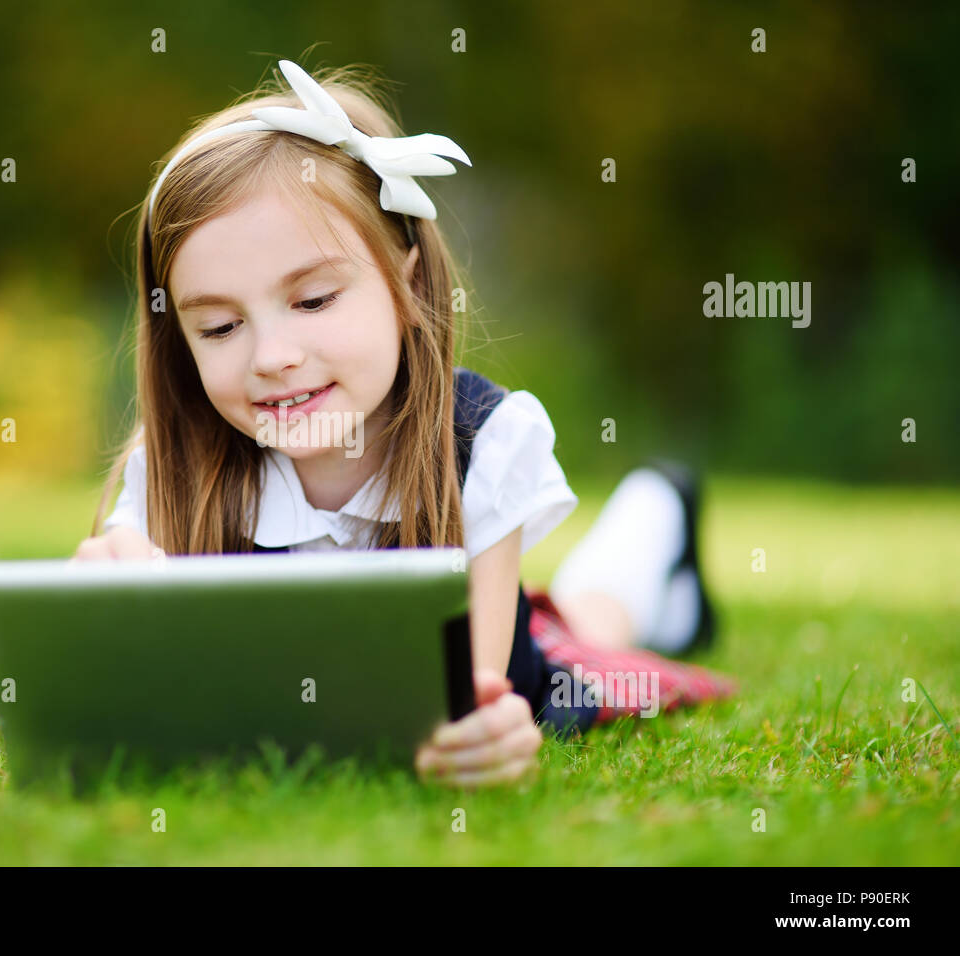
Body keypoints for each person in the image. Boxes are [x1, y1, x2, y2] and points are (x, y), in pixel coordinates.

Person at [72, 58, 733, 788]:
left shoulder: (485, 441)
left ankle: (657, 507)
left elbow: (471, 702)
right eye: (222, 327)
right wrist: (107, 601)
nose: (273, 357)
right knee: (571, 611)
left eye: (314, 300)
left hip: (522, 668)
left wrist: (479, 738)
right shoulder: (171, 465)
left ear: (406, 280)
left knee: (590, 628)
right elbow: (132, 676)